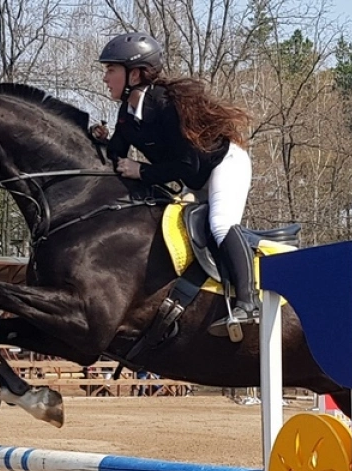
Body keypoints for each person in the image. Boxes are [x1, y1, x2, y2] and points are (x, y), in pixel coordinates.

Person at [92, 31, 257, 336]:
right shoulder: (127, 112)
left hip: (224, 164)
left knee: (220, 224)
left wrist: (142, 171)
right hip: (194, 177)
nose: (105, 78)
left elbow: (186, 164)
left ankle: (249, 303)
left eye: (110, 70)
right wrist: (99, 142)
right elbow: (117, 155)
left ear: (135, 74)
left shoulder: (165, 104)